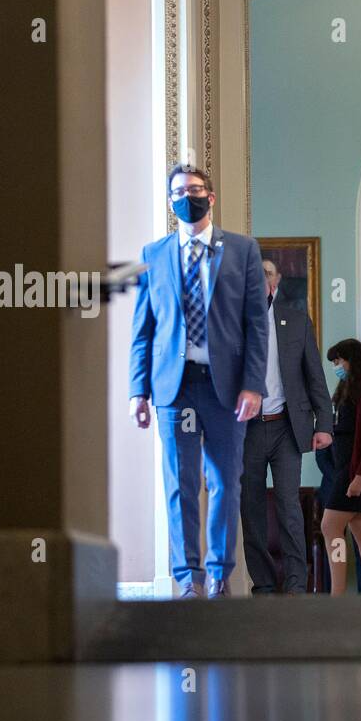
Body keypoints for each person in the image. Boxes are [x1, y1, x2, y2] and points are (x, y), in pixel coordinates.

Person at [129, 163, 268, 599]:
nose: (185, 196)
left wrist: (254, 384)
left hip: (225, 387)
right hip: (174, 386)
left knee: (226, 481)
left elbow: (255, 324)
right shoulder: (154, 254)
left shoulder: (242, 250)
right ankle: (188, 577)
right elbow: (143, 330)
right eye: (178, 192)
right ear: (171, 203)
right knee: (180, 482)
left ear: (210, 197)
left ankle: (219, 576)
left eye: (193, 189)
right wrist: (138, 390)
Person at [239, 250, 334, 595]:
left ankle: (296, 585)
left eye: (267, 273)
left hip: (285, 428)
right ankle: (263, 584)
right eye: (256, 274)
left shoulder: (295, 321)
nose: (262, 279)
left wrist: (324, 424)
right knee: (251, 509)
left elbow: (315, 378)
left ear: (275, 282)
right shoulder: (234, 323)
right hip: (247, 429)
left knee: (289, 506)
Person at [319, 339, 361, 596]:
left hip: (355, 471)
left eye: (338, 361)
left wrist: (359, 476)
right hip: (343, 468)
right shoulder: (348, 386)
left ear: (352, 358)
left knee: (329, 526)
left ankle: (337, 594)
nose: (337, 366)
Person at [315, 444, 361, 593]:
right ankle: (333, 594)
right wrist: (341, 483)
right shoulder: (327, 422)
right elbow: (321, 459)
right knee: (334, 543)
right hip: (332, 491)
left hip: (359, 489)